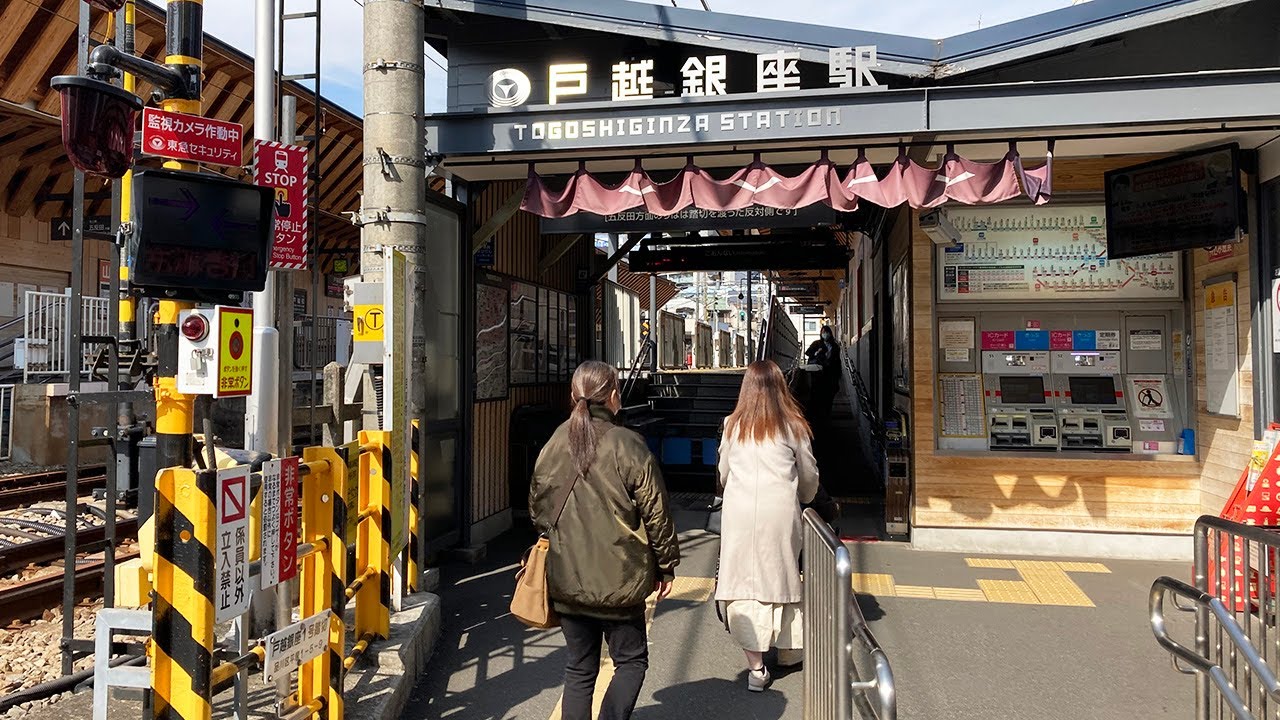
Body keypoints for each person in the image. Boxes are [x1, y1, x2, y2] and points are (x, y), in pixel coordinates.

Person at [529, 360, 680, 720]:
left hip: (567, 578)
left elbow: (538, 508)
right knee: (630, 662)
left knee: (579, 670)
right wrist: (666, 565)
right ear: (613, 396)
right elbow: (655, 513)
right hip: (620, 580)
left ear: (572, 395)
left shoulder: (554, 442)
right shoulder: (628, 445)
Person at [715, 360, 819, 692]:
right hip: (779, 514)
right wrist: (805, 496)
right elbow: (809, 478)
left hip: (740, 514)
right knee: (782, 575)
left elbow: (722, 474)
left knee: (745, 585)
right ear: (781, 387)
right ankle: (789, 650)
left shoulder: (733, 425)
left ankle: (756, 668)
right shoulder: (793, 426)